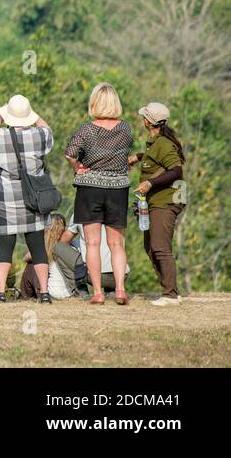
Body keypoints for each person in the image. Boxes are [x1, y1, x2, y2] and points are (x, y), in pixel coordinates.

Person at [0, 94, 54, 303]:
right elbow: (49, 133)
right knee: (37, 245)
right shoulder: (38, 136)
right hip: (34, 200)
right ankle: (44, 292)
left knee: (5, 246)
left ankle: (1, 292)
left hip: (5, 200)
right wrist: (35, 116)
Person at [65, 82, 133, 305]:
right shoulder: (126, 129)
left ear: (94, 103)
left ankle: (97, 292)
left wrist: (78, 168)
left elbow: (70, 154)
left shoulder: (86, 129)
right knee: (117, 244)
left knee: (92, 244)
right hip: (118, 188)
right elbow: (124, 154)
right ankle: (121, 290)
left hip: (90, 189)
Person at [130, 102, 186, 306]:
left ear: (148, 121)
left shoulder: (164, 143)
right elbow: (156, 159)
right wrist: (138, 157)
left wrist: (150, 182)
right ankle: (170, 289)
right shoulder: (157, 142)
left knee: (160, 247)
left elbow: (176, 170)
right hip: (154, 202)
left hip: (165, 201)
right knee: (150, 247)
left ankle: (170, 294)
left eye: (143, 116)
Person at [19, 213, 78, 301]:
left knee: (33, 265)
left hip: (54, 294)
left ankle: (27, 297)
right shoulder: (74, 244)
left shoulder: (46, 247)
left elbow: (25, 258)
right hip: (72, 292)